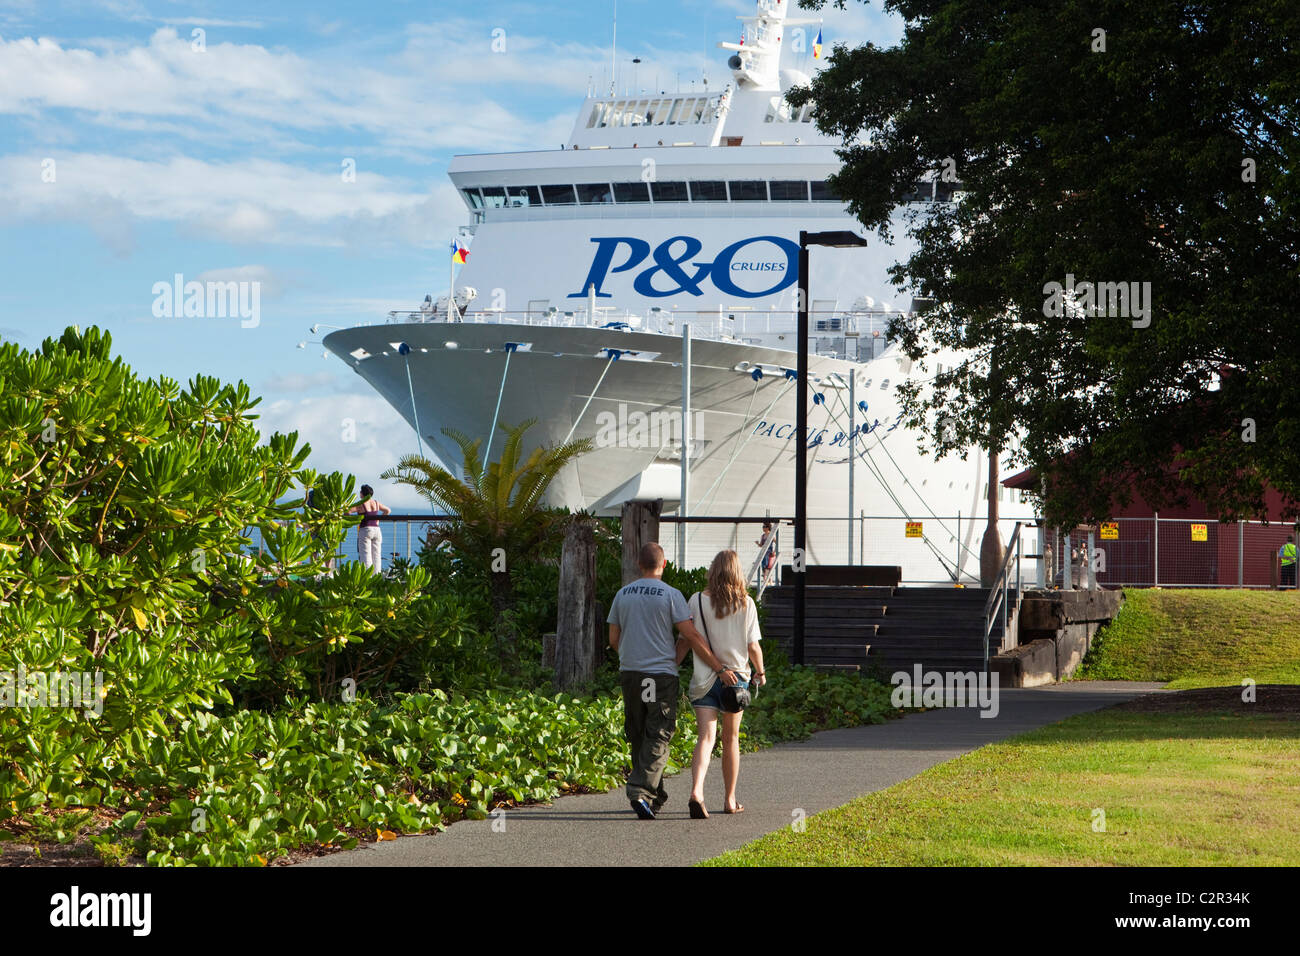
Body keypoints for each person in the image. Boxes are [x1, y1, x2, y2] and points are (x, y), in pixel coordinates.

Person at [607, 542, 731, 820]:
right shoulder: (671, 595)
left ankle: (655, 795)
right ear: (664, 565)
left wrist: (632, 655)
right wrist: (718, 667)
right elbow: (690, 636)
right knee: (660, 732)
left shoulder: (622, 595)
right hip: (661, 676)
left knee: (638, 732)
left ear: (639, 564)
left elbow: (613, 639)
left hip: (630, 674)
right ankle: (640, 791)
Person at [682, 550, 766, 818]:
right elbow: (753, 646)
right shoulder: (746, 604)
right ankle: (730, 800)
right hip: (737, 682)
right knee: (730, 739)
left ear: (713, 570)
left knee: (705, 738)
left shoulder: (695, 600)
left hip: (705, 679)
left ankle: (697, 791)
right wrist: (760, 672)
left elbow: (687, 638)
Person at [349, 484, 390, 573]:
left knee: (365, 555)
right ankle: (377, 576)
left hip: (365, 530)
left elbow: (348, 511)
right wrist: (378, 520)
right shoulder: (376, 503)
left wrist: (353, 520)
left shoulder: (361, 504)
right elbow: (387, 510)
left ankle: (368, 577)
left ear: (362, 494)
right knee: (376, 555)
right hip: (377, 530)